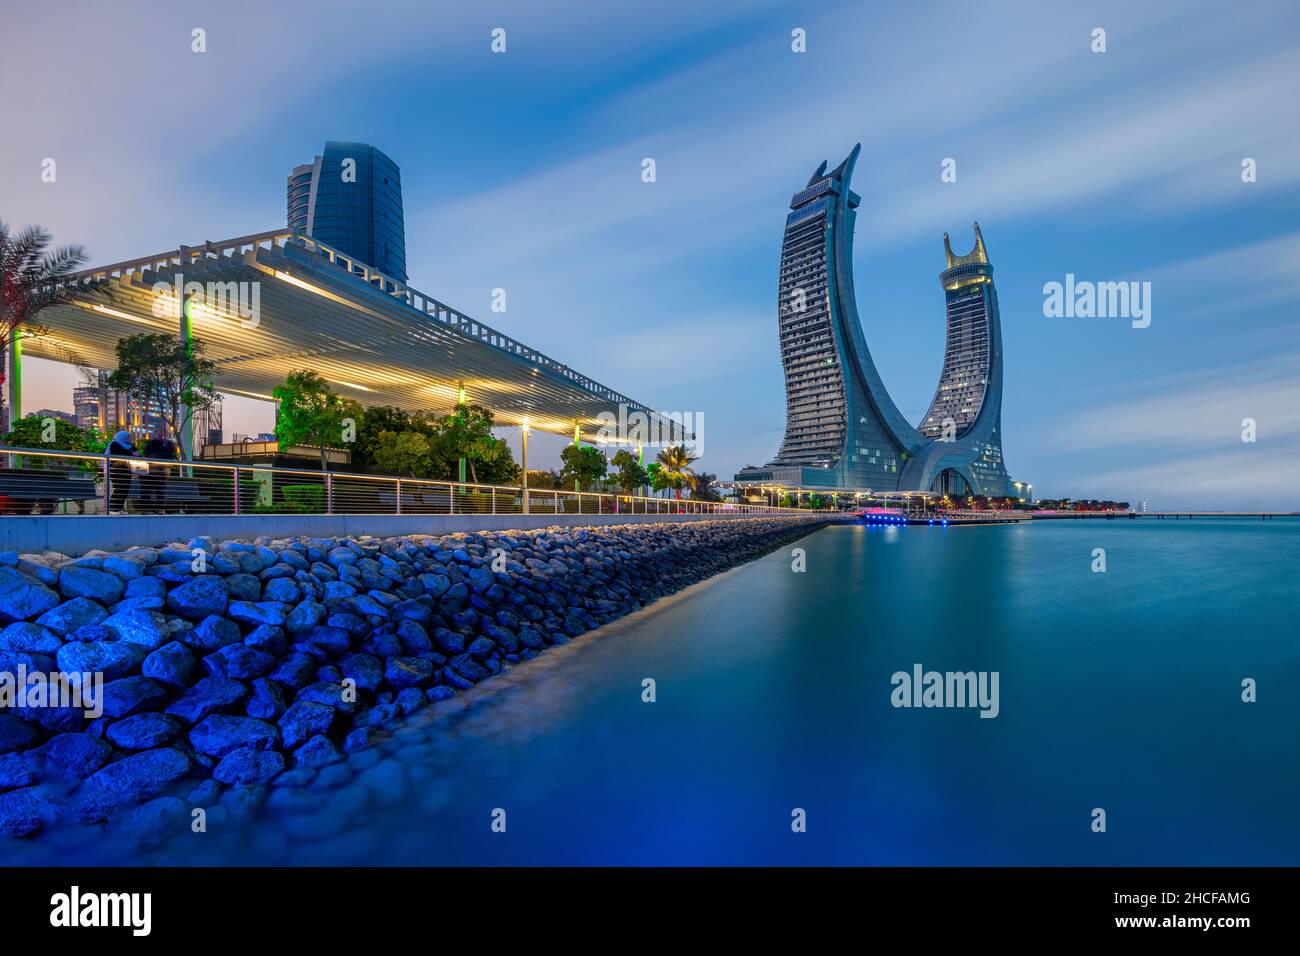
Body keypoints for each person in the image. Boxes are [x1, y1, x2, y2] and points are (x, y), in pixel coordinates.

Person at [141, 426, 178, 513]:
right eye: (161, 433)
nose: (162, 435)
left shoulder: (170, 444)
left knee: (160, 490)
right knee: (149, 490)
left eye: (164, 434)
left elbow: (173, 456)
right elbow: (147, 454)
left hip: (161, 470)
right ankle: (147, 510)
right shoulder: (153, 443)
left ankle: (159, 509)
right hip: (153, 470)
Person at [106, 430, 136, 514]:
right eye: (127, 437)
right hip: (117, 469)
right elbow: (114, 456)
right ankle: (112, 509)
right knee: (119, 488)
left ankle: (120, 508)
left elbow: (136, 454)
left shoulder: (131, 445)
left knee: (125, 489)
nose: (129, 438)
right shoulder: (114, 443)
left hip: (127, 470)